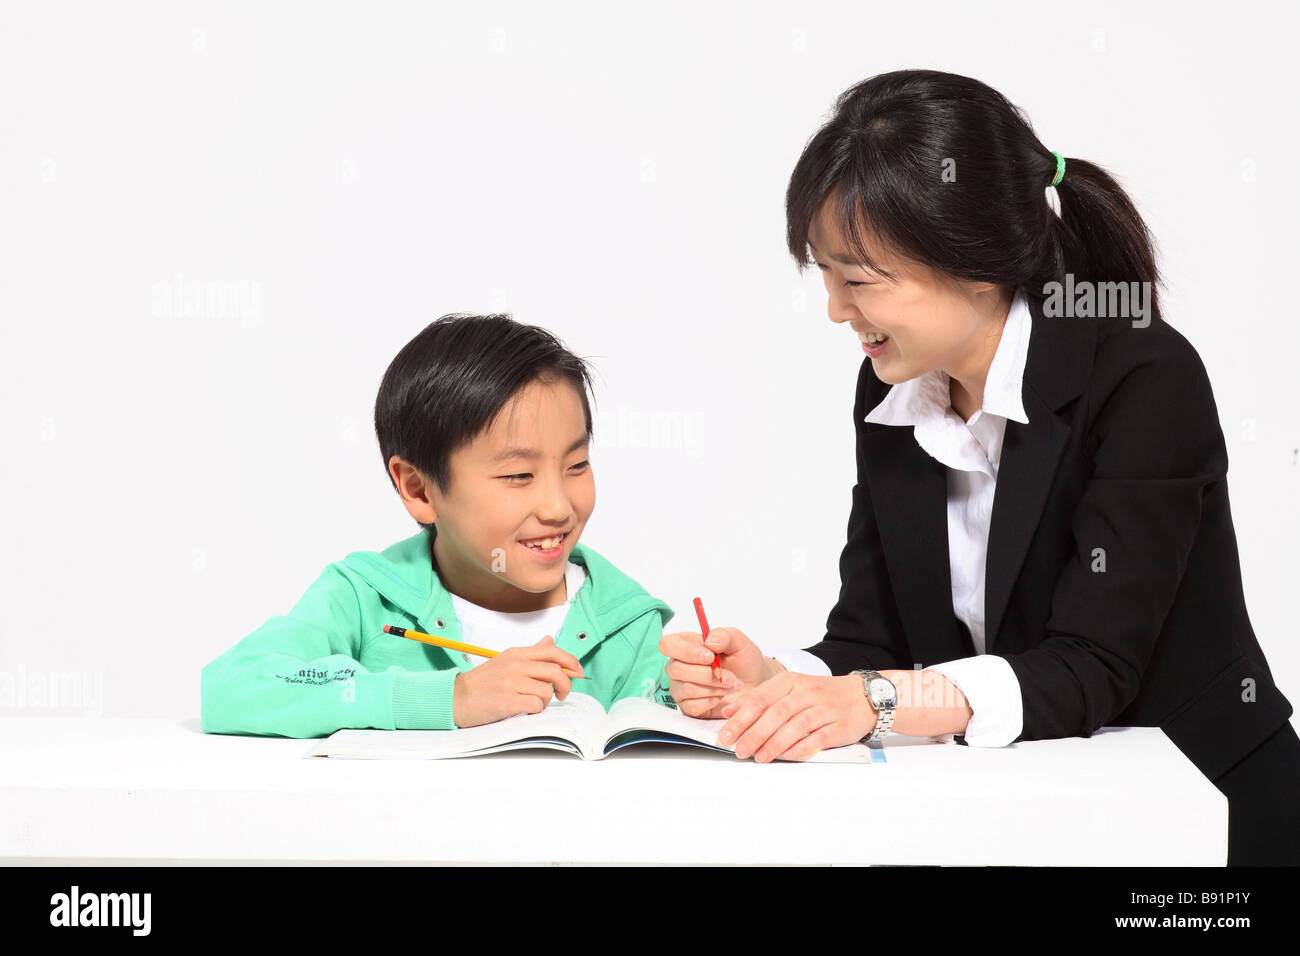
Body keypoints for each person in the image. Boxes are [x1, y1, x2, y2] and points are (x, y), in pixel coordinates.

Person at [660, 69, 1299, 866]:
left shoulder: (1144, 375)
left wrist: (875, 701)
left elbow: (1092, 666)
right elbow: (872, 632)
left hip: (1198, 810)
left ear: (976, 264)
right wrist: (777, 678)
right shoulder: (892, 386)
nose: (835, 311)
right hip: (1037, 812)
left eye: (858, 280)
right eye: (824, 275)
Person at [201, 313, 675, 737]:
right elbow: (235, 685)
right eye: (518, 476)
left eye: (576, 465)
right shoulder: (366, 600)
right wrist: (454, 699)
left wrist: (736, 692)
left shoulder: (628, 625)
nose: (557, 507)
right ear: (419, 489)